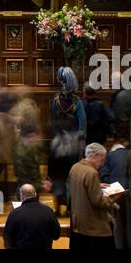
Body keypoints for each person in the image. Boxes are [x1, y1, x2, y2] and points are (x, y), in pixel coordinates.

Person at [48, 69, 86, 217]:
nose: (63, 86)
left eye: (65, 83)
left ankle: (68, 207)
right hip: (65, 143)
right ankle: (62, 208)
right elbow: (54, 123)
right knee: (61, 178)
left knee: (68, 178)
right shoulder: (64, 101)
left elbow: (82, 126)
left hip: (67, 144)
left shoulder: (72, 102)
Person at [67, 142, 117, 250]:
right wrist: (114, 196)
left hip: (77, 221)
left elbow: (77, 186)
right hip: (92, 225)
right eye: (102, 159)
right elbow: (98, 201)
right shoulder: (92, 173)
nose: (102, 164)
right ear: (95, 156)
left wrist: (97, 185)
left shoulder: (75, 167)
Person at [2, 183, 61, 249]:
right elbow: (56, 235)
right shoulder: (48, 211)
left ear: (21, 195)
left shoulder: (14, 214)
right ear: (35, 194)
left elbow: (7, 239)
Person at [99, 137, 131, 248]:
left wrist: (112, 187)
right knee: (130, 222)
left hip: (115, 193)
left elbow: (103, 175)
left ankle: (118, 246)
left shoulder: (109, 156)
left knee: (117, 223)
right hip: (130, 191)